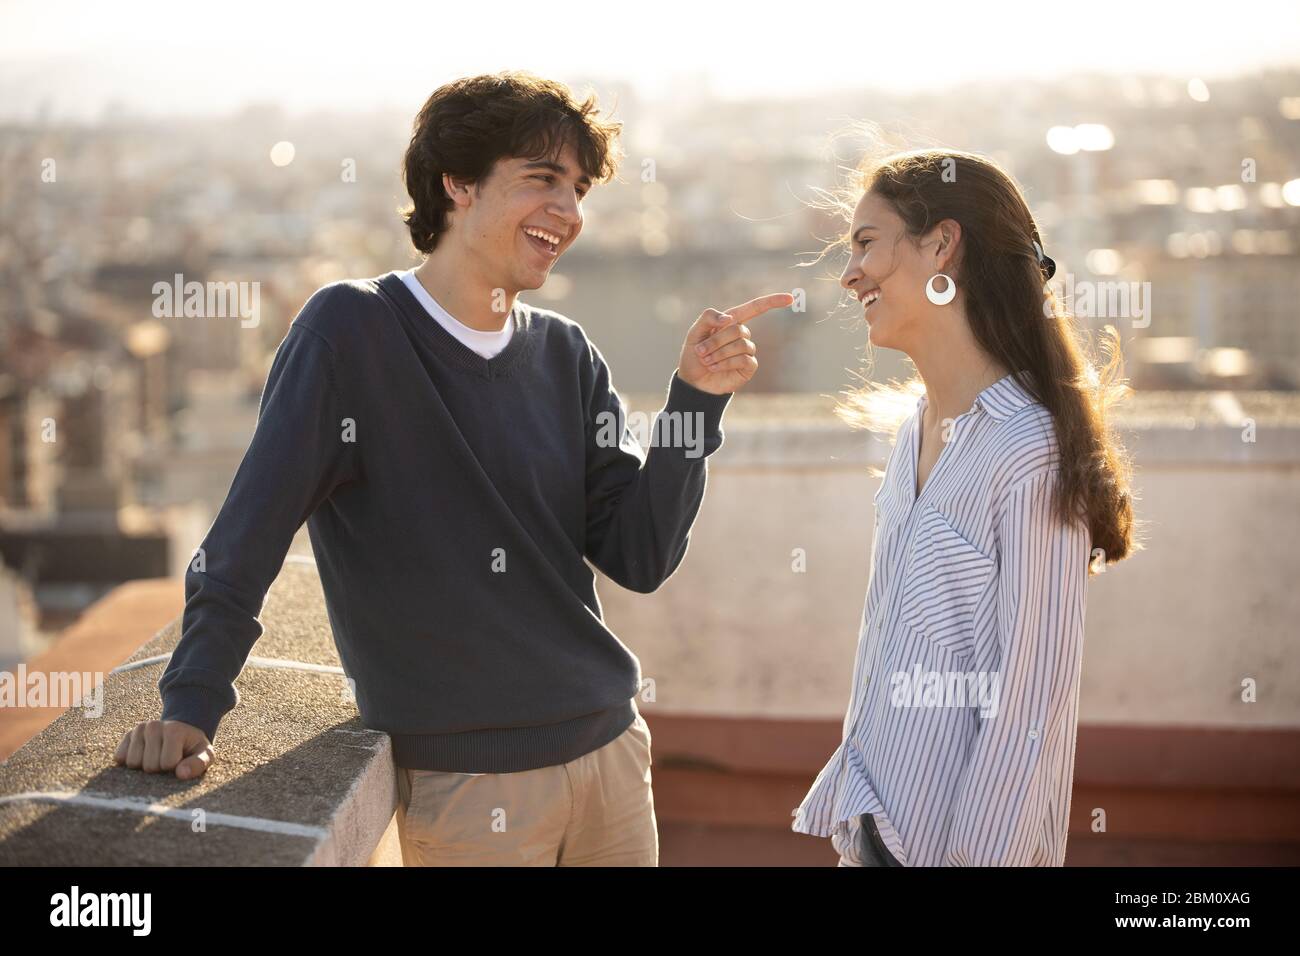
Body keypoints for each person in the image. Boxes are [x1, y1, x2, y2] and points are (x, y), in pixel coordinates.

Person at [114, 71, 792, 866]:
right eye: (542, 180)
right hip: (469, 789)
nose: (568, 213)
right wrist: (191, 705)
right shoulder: (351, 332)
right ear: (457, 184)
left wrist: (695, 403)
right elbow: (247, 536)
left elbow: (639, 557)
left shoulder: (567, 354)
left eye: (577, 189)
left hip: (613, 755)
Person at [792, 145, 1135, 866]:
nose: (850, 273)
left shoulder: (1027, 449)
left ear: (942, 245)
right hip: (878, 834)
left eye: (866, 243)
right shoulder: (913, 433)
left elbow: (1028, 715)